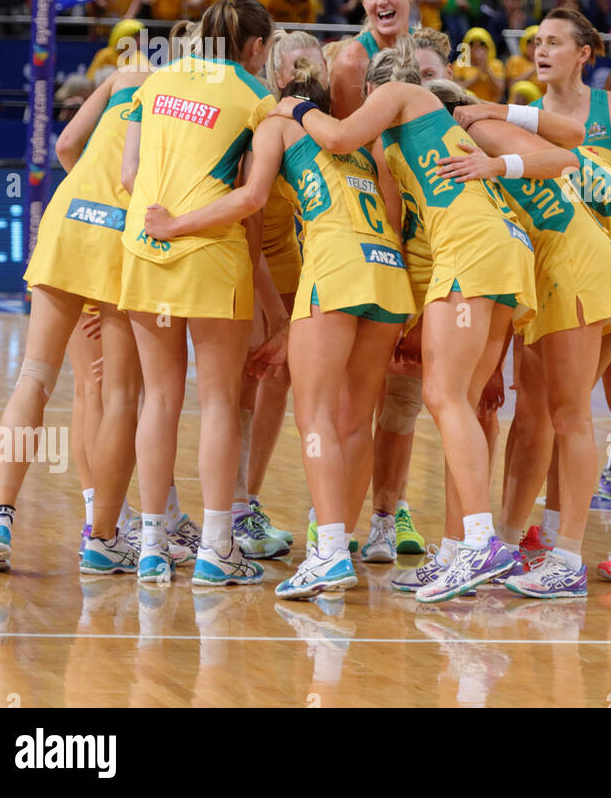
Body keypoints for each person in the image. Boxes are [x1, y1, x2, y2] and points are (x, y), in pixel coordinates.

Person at [274, 40, 537, 603]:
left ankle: (480, 541)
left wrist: (297, 108)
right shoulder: (405, 141)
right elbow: (395, 223)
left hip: (467, 249)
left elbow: (338, 137)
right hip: (499, 249)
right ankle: (461, 549)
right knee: (460, 402)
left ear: (373, 89)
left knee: (442, 397)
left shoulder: (399, 95)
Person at [144, 51, 415, 598]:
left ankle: (328, 554)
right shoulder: (358, 139)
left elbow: (251, 199)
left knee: (315, 418)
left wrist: (175, 225)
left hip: (335, 264)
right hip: (388, 271)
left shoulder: (273, 123)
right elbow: (394, 216)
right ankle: (338, 543)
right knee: (355, 422)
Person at [456, 9, 611, 581]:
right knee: (550, 407)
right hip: (579, 270)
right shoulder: (524, 115)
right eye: (537, 42)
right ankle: (542, 532)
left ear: (584, 53)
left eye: (554, 42)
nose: (541, 51)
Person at [432, 78, 611, 597]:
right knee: (554, 415)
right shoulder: (458, 148)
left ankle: (567, 558)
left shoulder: (479, 130)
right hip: (560, 270)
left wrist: (495, 162)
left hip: (575, 264)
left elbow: (566, 157)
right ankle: (527, 545)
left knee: (570, 416)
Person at [0, 50, 159, 576]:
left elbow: (64, 144)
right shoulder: (190, 96)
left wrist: (90, 194)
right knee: (117, 393)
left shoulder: (128, 74)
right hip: (121, 231)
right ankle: (102, 535)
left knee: (34, 377)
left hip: (70, 214)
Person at [119, 0, 283, 586]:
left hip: (143, 250)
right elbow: (252, 198)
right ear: (256, 46)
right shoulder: (258, 98)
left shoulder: (155, 81)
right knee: (217, 402)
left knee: (159, 401)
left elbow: (129, 177)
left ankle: (151, 546)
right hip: (211, 254)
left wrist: (162, 226)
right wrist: (184, 226)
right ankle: (216, 549)